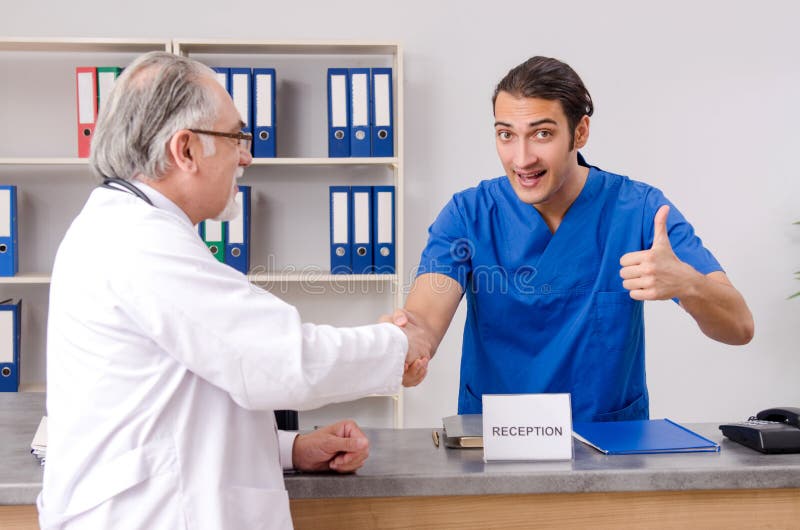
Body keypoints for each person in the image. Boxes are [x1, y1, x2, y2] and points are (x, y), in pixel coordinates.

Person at [37, 51, 432, 529]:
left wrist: (291, 448)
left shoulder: (129, 229)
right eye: (234, 137)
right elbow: (279, 360)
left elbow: (185, 397)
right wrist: (398, 345)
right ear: (184, 150)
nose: (246, 155)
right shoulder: (140, 242)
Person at [398, 56, 753, 423]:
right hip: (496, 442)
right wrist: (406, 345)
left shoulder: (639, 211)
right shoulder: (468, 215)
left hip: (608, 447)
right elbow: (423, 318)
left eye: (542, 134)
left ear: (579, 132)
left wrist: (689, 284)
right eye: (506, 134)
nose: (521, 158)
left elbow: (739, 327)